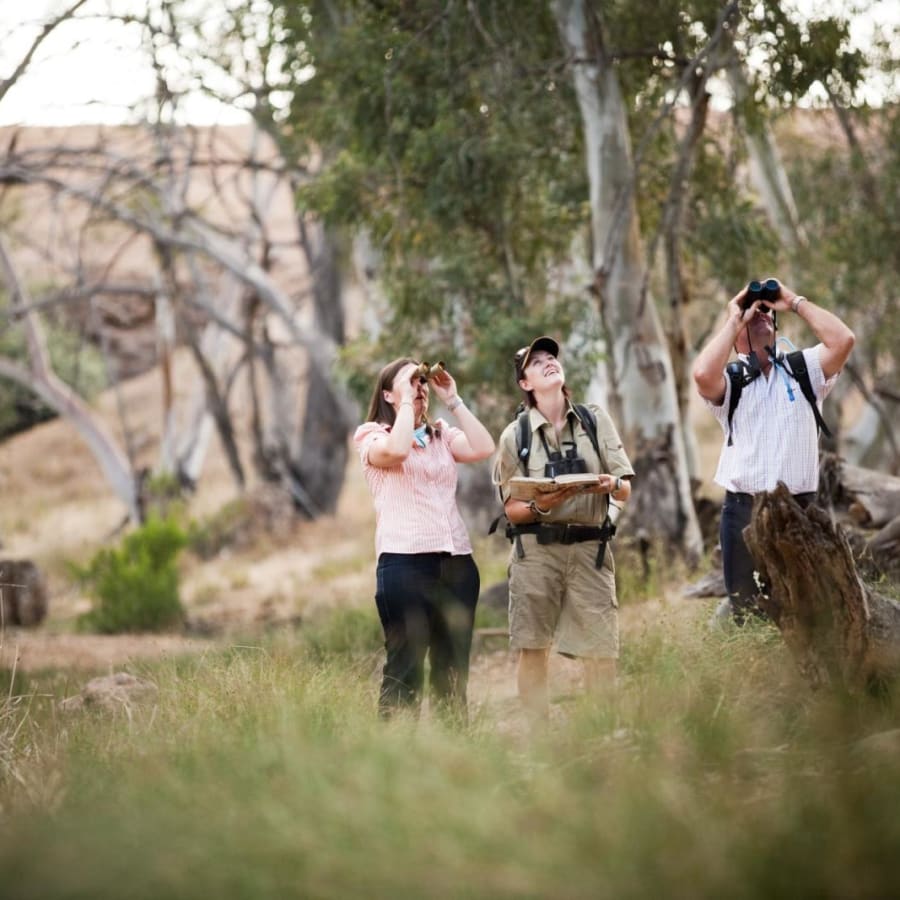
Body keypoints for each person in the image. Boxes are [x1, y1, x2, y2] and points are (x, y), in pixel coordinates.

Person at [692, 279, 855, 624]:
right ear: (735, 339)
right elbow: (703, 373)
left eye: (765, 314)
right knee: (748, 614)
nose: (760, 316)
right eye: (752, 317)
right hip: (742, 512)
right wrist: (734, 318)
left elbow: (844, 341)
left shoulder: (803, 368)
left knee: (810, 610)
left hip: (799, 508)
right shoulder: (732, 380)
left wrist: (792, 300)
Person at [492, 336, 634, 723]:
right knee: (532, 646)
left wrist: (610, 486)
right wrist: (542, 504)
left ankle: (602, 732)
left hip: (592, 549)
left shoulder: (594, 419)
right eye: (536, 363)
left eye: (551, 357)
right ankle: (538, 737)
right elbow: (512, 509)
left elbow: (625, 486)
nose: (548, 363)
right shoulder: (514, 436)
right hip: (536, 551)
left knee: (601, 648)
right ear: (525, 384)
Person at [354, 357, 495, 720]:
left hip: (457, 563)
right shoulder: (372, 435)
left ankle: (452, 757)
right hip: (404, 564)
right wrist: (404, 402)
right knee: (406, 670)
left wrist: (452, 398)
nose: (420, 388)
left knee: (452, 670)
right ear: (388, 393)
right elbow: (397, 452)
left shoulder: (440, 434)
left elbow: (483, 448)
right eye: (411, 381)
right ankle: (396, 758)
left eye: (421, 382)